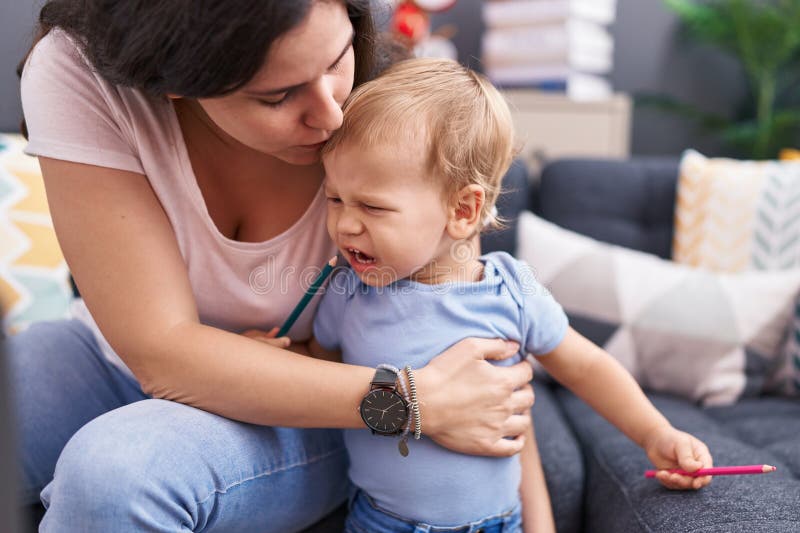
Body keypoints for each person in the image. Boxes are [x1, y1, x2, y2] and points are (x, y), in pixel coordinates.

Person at [9, 2, 540, 531]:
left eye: (336, 61)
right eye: (276, 95)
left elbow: (486, 333)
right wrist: (408, 401)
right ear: (171, 76)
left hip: (323, 407)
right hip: (119, 358)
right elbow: (161, 350)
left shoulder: (397, 114)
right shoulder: (77, 68)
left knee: (113, 477)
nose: (332, 116)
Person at [302, 57, 715, 533]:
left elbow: (587, 365)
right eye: (335, 199)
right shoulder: (347, 290)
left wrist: (655, 432)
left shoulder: (512, 289)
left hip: (497, 524)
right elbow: (319, 370)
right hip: (381, 522)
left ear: (462, 209)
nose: (344, 224)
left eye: (372, 206)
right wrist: (266, 350)